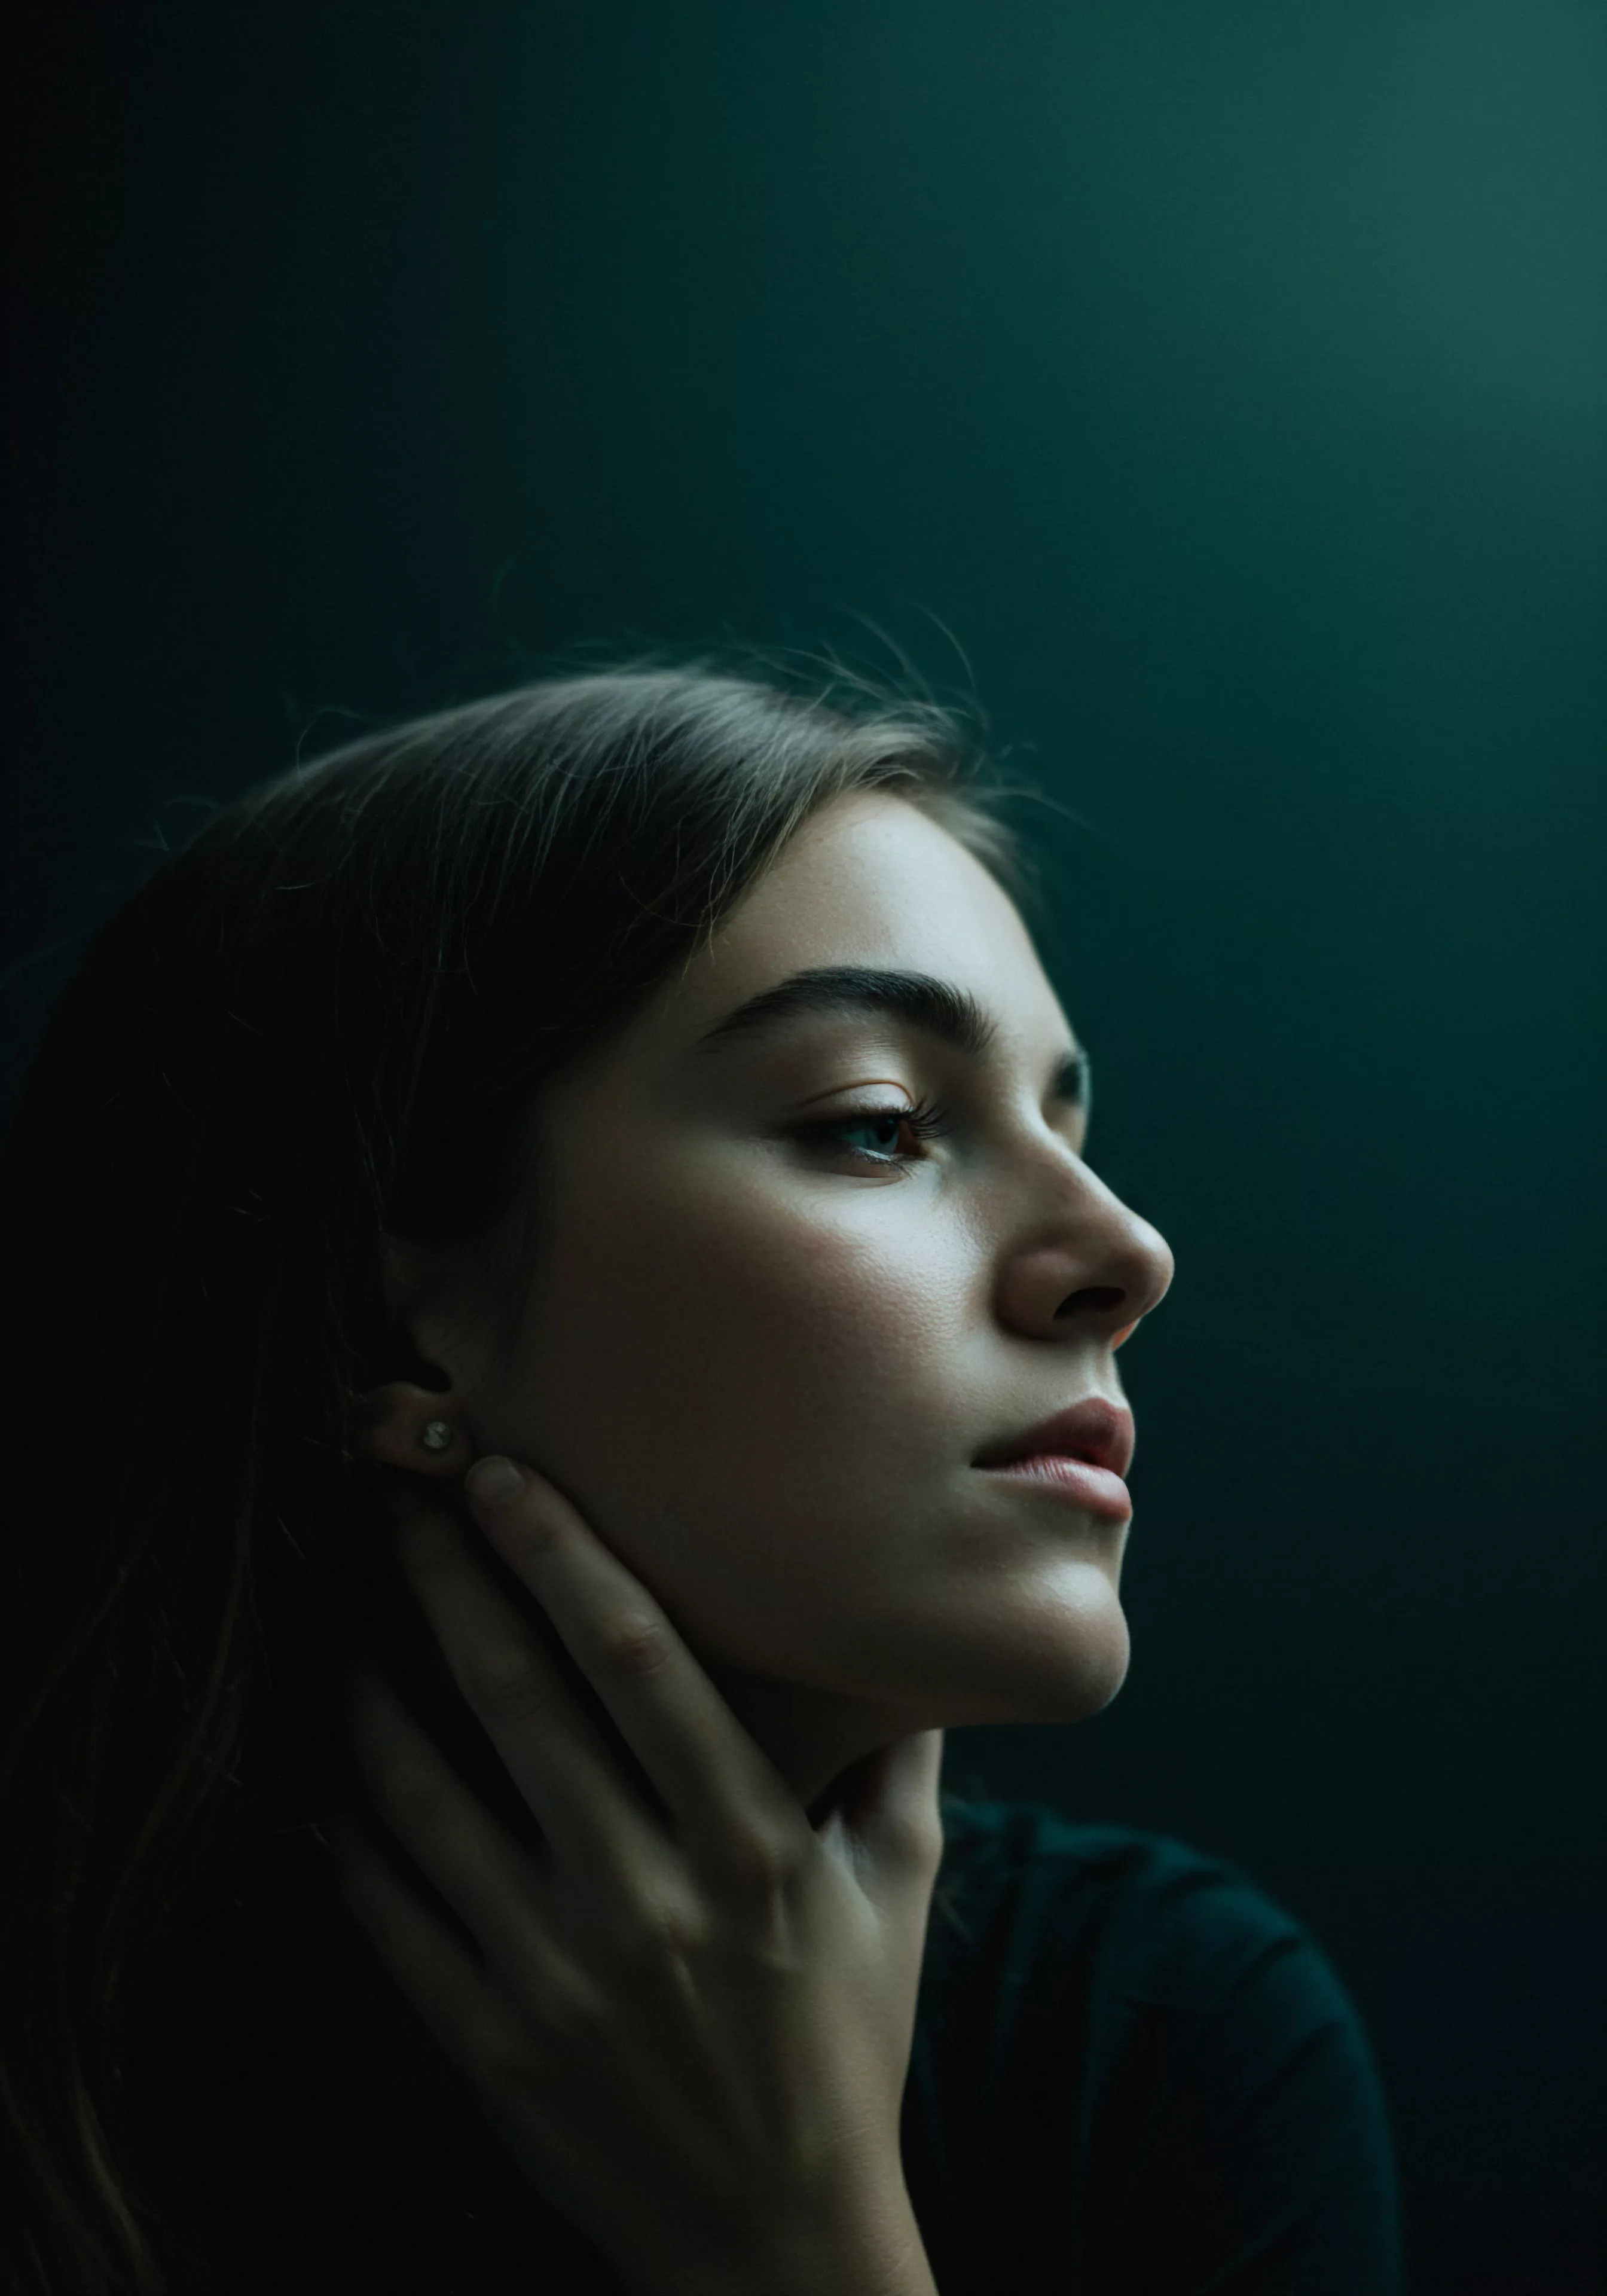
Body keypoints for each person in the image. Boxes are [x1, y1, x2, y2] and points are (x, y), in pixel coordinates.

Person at [0, 650, 1401, 2295]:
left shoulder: (1165, 2040)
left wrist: (797, 2242)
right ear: (395, 1313)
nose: (1127, 1254)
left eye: (1068, 1133)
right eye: (880, 1123)